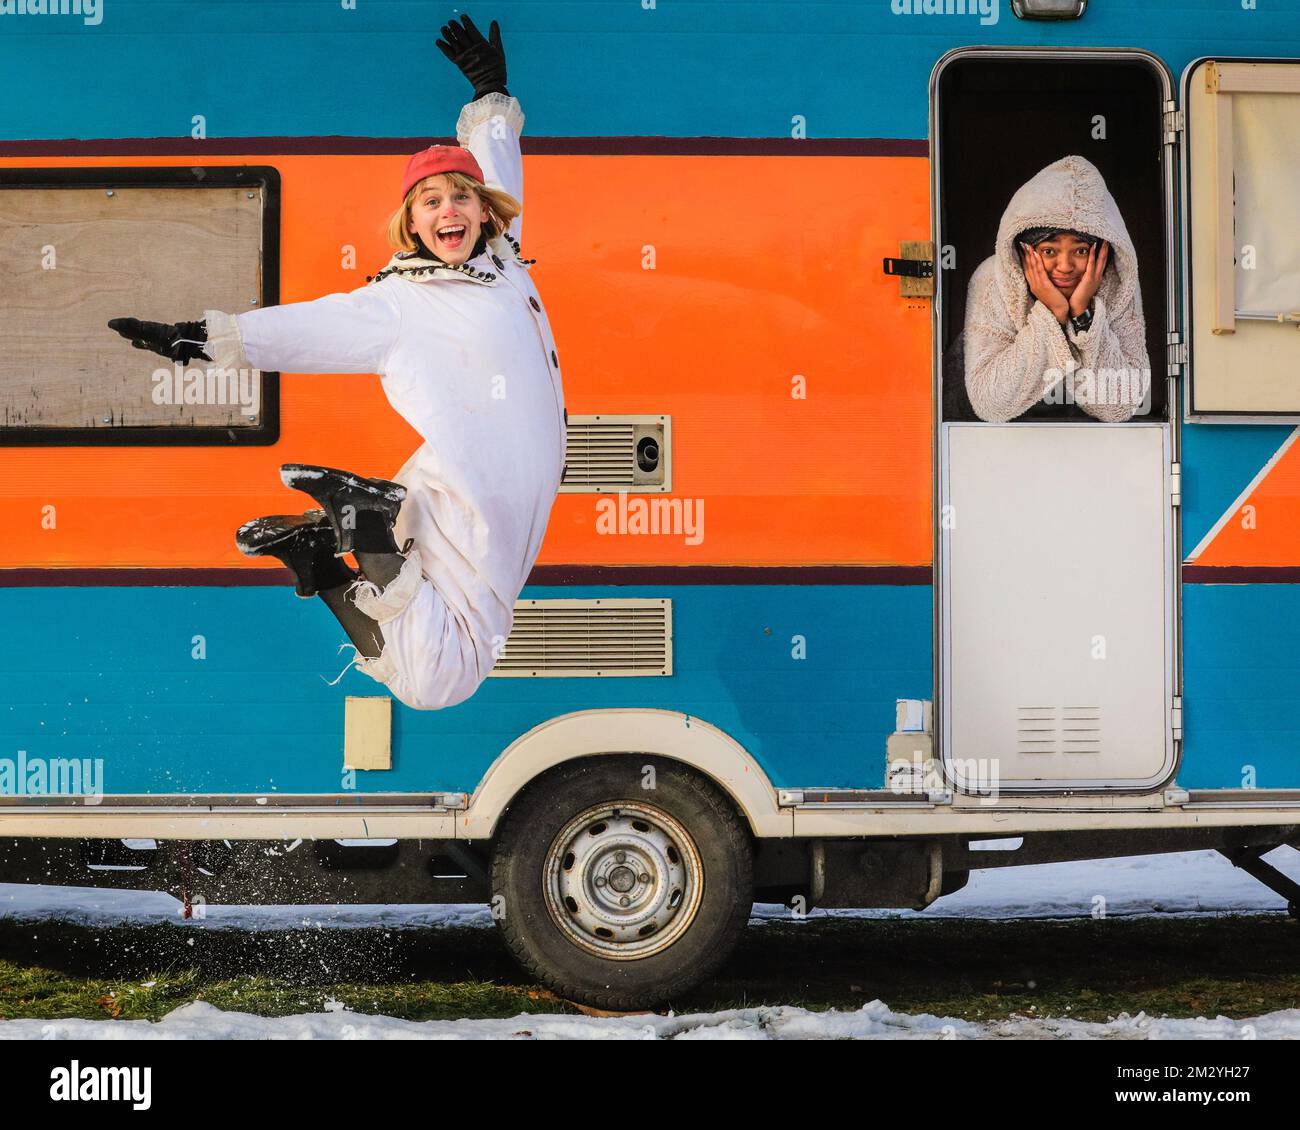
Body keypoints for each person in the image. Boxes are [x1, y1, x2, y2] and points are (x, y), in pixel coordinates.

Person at [107, 14, 567, 710]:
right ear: (412, 224)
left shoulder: (503, 260)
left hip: (462, 490)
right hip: (480, 495)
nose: (450, 209)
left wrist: (491, 95)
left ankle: (325, 556)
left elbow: (499, 161)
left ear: (485, 215)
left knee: (427, 674)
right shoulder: (398, 304)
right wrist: (203, 338)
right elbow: (302, 330)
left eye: (462, 197)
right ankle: (358, 529)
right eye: (431, 202)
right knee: (440, 680)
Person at [961, 154, 1152, 423]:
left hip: (1085, 443)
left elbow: (1122, 404)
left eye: (1081, 250)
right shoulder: (994, 278)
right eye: (1049, 250)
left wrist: (1083, 316)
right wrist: (1052, 314)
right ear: (1023, 249)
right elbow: (989, 404)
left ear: (1103, 251)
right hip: (985, 441)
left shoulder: (1116, 281)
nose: (1065, 266)